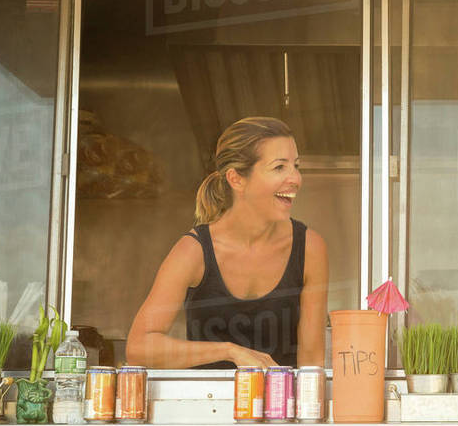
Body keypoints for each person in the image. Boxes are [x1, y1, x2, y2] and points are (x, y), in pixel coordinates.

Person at [127, 117, 329, 369]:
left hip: (280, 407)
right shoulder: (194, 251)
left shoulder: (310, 247)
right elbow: (139, 348)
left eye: (295, 166)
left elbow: (312, 362)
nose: (295, 178)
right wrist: (230, 351)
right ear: (236, 179)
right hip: (206, 406)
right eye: (279, 167)